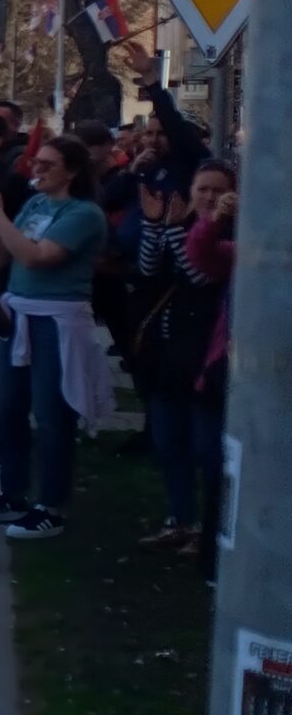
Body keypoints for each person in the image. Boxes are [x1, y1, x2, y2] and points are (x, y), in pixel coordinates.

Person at [0, 134, 108, 540]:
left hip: (56, 320)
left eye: (48, 164)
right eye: (36, 163)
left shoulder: (83, 214)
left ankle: (50, 504)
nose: (38, 169)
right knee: (7, 408)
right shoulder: (36, 204)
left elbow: (37, 257)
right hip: (18, 315)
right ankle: (13, 493)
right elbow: (1, 255)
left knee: (51, 415)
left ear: (72, 171)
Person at [133, 160, 233, 548]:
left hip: (206, 351)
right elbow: (148, 267)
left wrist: (174, 230)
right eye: (202, 188)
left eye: (218, 190)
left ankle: (210, 528)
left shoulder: (229, 232)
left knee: (206, 448)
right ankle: (180, 518)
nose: (209, 197)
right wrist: (153, 224)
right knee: (168, 440)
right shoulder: (179, 222)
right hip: (170, 351)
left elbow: (198, 272)